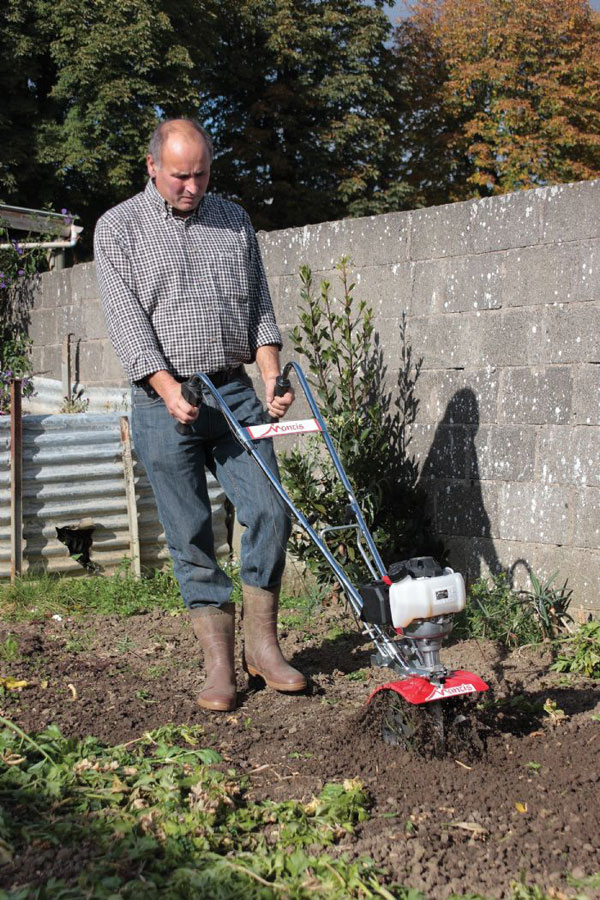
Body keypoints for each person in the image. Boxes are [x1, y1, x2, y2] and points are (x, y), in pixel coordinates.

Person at [94, 118, 306, 712]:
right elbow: (126, 321)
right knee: (189, 530)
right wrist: (164, 387)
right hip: (163, 399)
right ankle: (220, 662)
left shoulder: (232, 219)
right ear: (152, 166)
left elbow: (259, 308)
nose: (192, 186)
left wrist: (270, 376)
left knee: (268, 508)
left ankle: (263, 648)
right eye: (181, 176)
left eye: (202, 174)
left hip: (233, 391)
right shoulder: (118, 229)